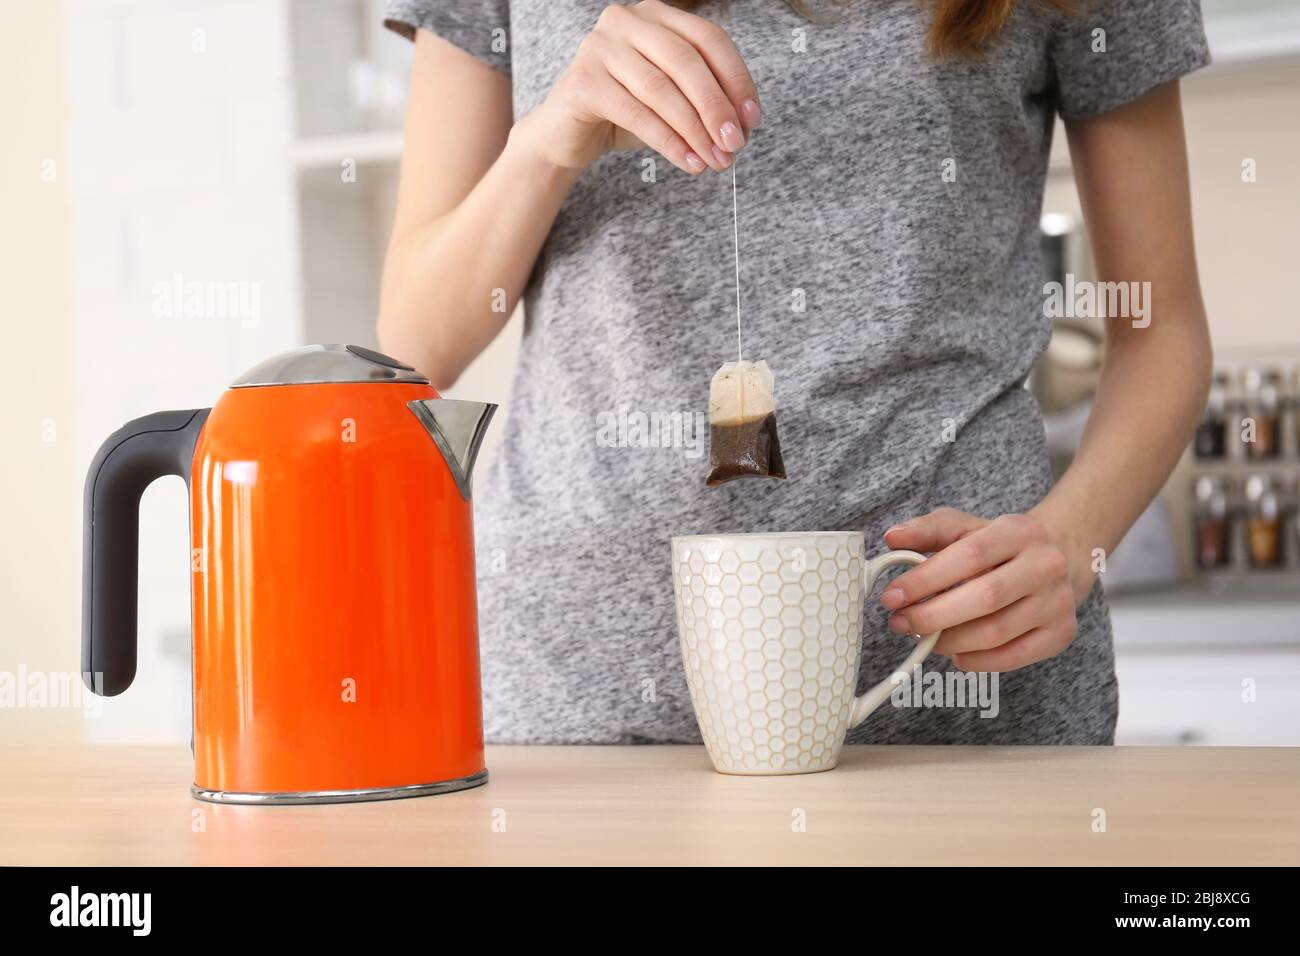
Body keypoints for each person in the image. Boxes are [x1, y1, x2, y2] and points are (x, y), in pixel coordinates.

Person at [377, 0, 1213, 745]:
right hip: (577, 701)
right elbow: (418, 344)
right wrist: (547, 143)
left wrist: (1071, 544)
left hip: (958, 679)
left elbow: (1160, 330)